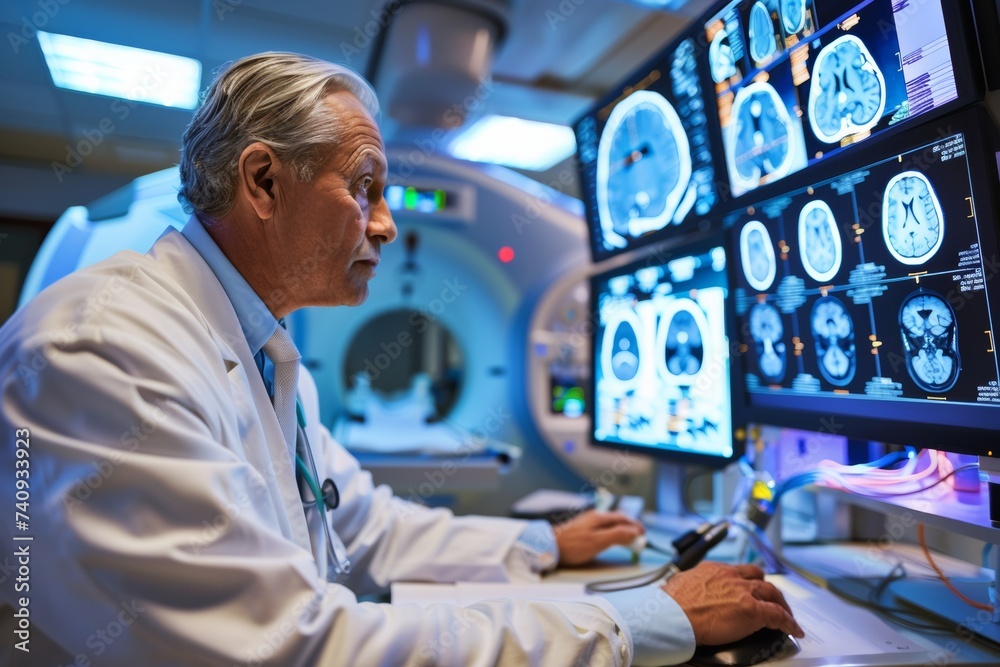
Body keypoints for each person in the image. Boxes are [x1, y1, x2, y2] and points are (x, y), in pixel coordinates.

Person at [0, 52, 802, 666]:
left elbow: (367, 525)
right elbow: (296, 644)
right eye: (365, 187)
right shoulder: (107, 350)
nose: (385, 224)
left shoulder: (263, 353)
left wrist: (543, 547)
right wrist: (642, 619)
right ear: (264, 181)